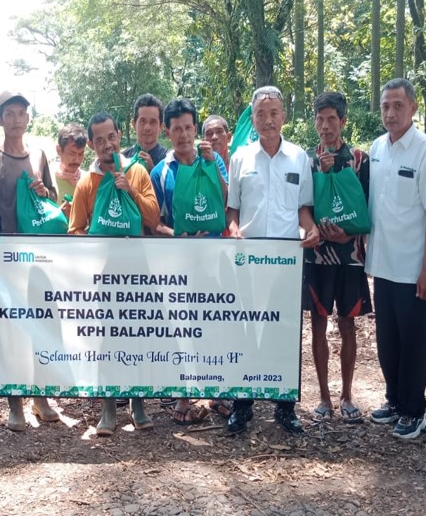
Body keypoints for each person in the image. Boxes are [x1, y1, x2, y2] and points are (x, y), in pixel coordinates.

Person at [225, 85, 320, 435]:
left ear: (284, 116)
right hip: (248, 261)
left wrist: (310, 231)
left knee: (284, 332)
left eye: (274, 113)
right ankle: (242, 405)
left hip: (286, 263)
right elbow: (232, 210)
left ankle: (284, 407)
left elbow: (303, 210)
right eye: (261, 114)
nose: (268, 120)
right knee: (245, 329)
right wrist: (233, 229)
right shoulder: (240, 158)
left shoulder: (299, 158)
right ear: (253, 119)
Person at [68, 112, 161, 434]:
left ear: (120, 135)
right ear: (92, 145)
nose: (108, 144)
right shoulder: (87, 182)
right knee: (107, 340)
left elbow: (153, 218)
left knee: (138, 337)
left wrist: (131, 191)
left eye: (112, 137)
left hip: (139, 272)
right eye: (100, 140)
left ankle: (138, 405)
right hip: (104, 276)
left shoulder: (137, 171)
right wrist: (95, 243)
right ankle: (108, 408)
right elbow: (75, 229)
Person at [365, 78, 426, 441]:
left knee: (413, 339)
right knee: (388, 339)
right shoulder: (377, 148)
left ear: (412, 108)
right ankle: (394, 400)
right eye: (385, 106)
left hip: (413, 267)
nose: (391, 113)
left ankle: (414, 410)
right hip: (382, 263)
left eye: (398, 105)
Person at [0, 90, 61, 430]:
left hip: (40, 258)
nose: (15, 119)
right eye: (8, 113)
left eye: (21, 113)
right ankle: (15, 403)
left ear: (29, 117)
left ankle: (40, 397)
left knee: (42, 324)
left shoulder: (39, 155)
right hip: (8, 256)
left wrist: (45, 192)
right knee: (12, 330)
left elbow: (54, 201)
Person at [150, 98, 229, 425]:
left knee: (215, 324)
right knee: (183, 326)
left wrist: (212, 167)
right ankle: (184, 394)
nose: (183, 135)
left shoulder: (214, 161)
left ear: (196, 129)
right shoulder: (161, 171)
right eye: (176, 129)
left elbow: (227, 202)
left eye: (188, 128)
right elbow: (154, 222)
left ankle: (217, 392)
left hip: (215, 258)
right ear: (167, 132)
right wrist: (177, 237)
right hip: (178, 261)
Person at [303, 91, 372, 425]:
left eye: (332, 119)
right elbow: (302, 206)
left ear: (343, 121)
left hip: (350, 257)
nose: (326, 125)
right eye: (320, 119)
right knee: (317, 324)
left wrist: (347, 235)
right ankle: (324, 397)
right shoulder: (306, 160)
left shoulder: (359, 160)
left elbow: (366, 208)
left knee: (348, 323)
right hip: (317, 258)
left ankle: (346, 394)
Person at [121, 93, 167, 172]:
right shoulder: (123, 158)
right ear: (134, 124)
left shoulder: (168, 160)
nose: (147, 128)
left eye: (153, 122)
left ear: (161, 126)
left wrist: (153, 170)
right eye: (143, 121)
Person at [53, 123, 88, 218]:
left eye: (80, 154)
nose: (77, 160)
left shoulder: (88, 180)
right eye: (72, 153)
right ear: (59, 150)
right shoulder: (48, 180)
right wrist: (59, 215)